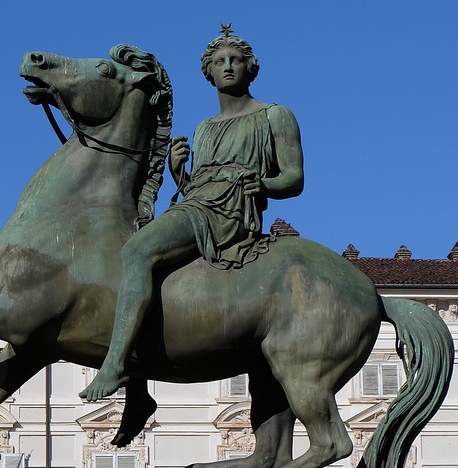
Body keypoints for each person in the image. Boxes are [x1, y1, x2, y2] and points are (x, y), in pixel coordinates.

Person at [81, 26, 304, 429]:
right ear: (209, 73)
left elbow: (295, 178)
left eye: (235, 60)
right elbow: (196, 189)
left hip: (230, 212)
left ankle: (115, 365)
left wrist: (265, 184)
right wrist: (180, 173)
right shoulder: (204, 128)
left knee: (136, 252)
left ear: (251, 68)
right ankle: (138, 388)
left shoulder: (275, 115)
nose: (228, 66)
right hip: (198, 204)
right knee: (132, 256)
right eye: (219, 62)